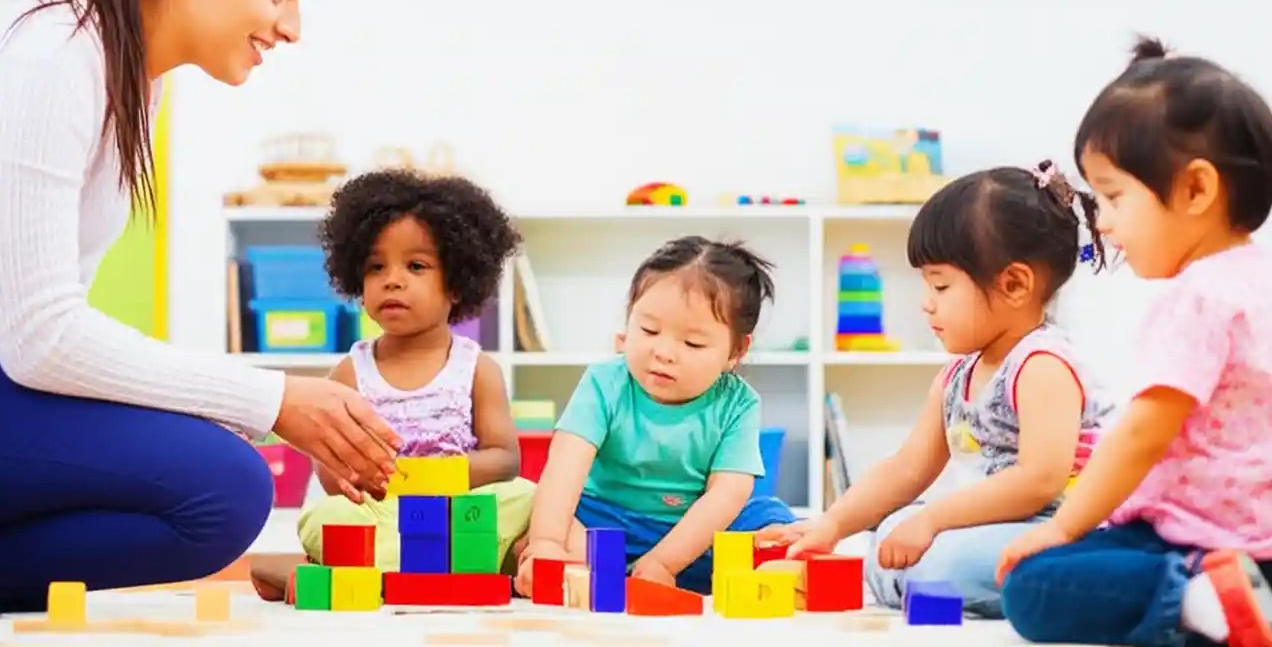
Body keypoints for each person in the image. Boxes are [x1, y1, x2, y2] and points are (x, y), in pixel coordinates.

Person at [0, 0, 399, 613]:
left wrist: (227, 405)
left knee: (224, 482)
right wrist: (272, 401)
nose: (292, 27)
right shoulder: (55, 56)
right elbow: (37, 336)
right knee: (224, 488)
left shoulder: (126, 75)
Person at [998, 38, 1272, 646]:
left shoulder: (1196, 297)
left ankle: (1203, 593)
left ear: (1196, 191)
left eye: (1115, 197)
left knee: (1033, 585)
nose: (1103, 222)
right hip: (1256, 538)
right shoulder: (1258, 281)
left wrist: (1063, 526)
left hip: (1196, 537)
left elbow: (1145, 432)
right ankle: (1228, 602)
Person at [758, 164, 1117, 618]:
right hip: (987, 528)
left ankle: (1086, 584)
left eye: (940, 285)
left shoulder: (1043, 365)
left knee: (935, 562)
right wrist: (831, 524)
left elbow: (1038, 480)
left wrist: (931, 520)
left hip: (1059, 530)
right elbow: (907, 469)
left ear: (1014, 284)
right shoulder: (956, 376)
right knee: (887, 534)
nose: (926, 302)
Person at [250, 168, 535, 599]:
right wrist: (363, 479)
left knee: (528, 497)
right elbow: (331, 472)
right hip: (383, 513)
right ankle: (451, 575)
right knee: (327, 517)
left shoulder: (476, 367)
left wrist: (437, 476)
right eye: (375, 267)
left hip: (459, 513)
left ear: (457, 283)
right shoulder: (351, 371)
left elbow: (505, 461)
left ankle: (349, 577)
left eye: (416, 266)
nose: (393, 279)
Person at [513, 237, 798, 596]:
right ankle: (583, 566)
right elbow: (565, 467)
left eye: (692, 344)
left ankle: (658, 571)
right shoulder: (605, 382)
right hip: (604, 522)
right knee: (539, 517)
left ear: (735, 351)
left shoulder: (739, 404)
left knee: (779, 527)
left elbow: (726, 495)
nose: (662, 352)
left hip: (695, 534)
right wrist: (548, 544)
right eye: (648, 330)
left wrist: (665, 562)